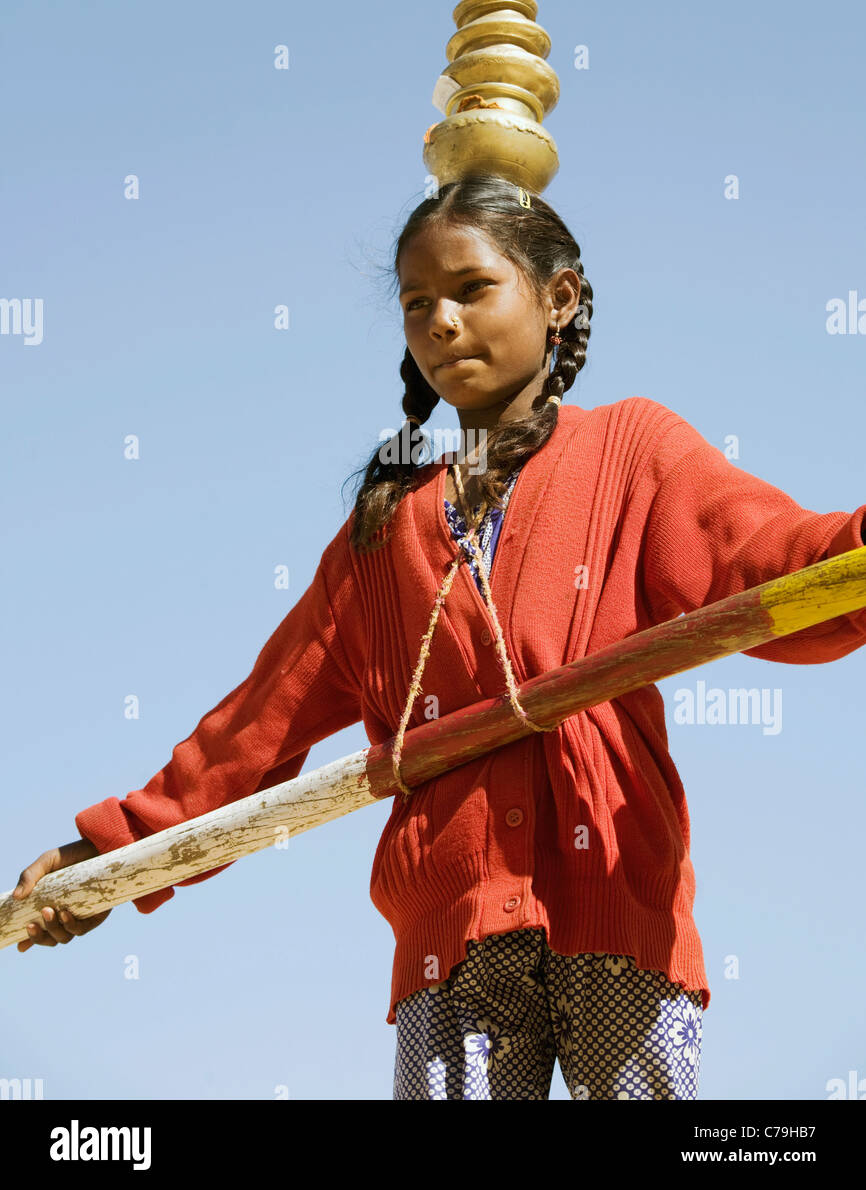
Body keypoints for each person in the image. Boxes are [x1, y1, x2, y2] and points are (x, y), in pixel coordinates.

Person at [12, 175, 866, 1101]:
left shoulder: (633, 453)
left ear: (560, 299)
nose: (442, 322)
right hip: (449, 943)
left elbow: (779, 567)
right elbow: (252, 734)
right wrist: (106, 860)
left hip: (619, 904)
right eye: (418, 303)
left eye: (471, 289)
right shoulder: (380, 538)